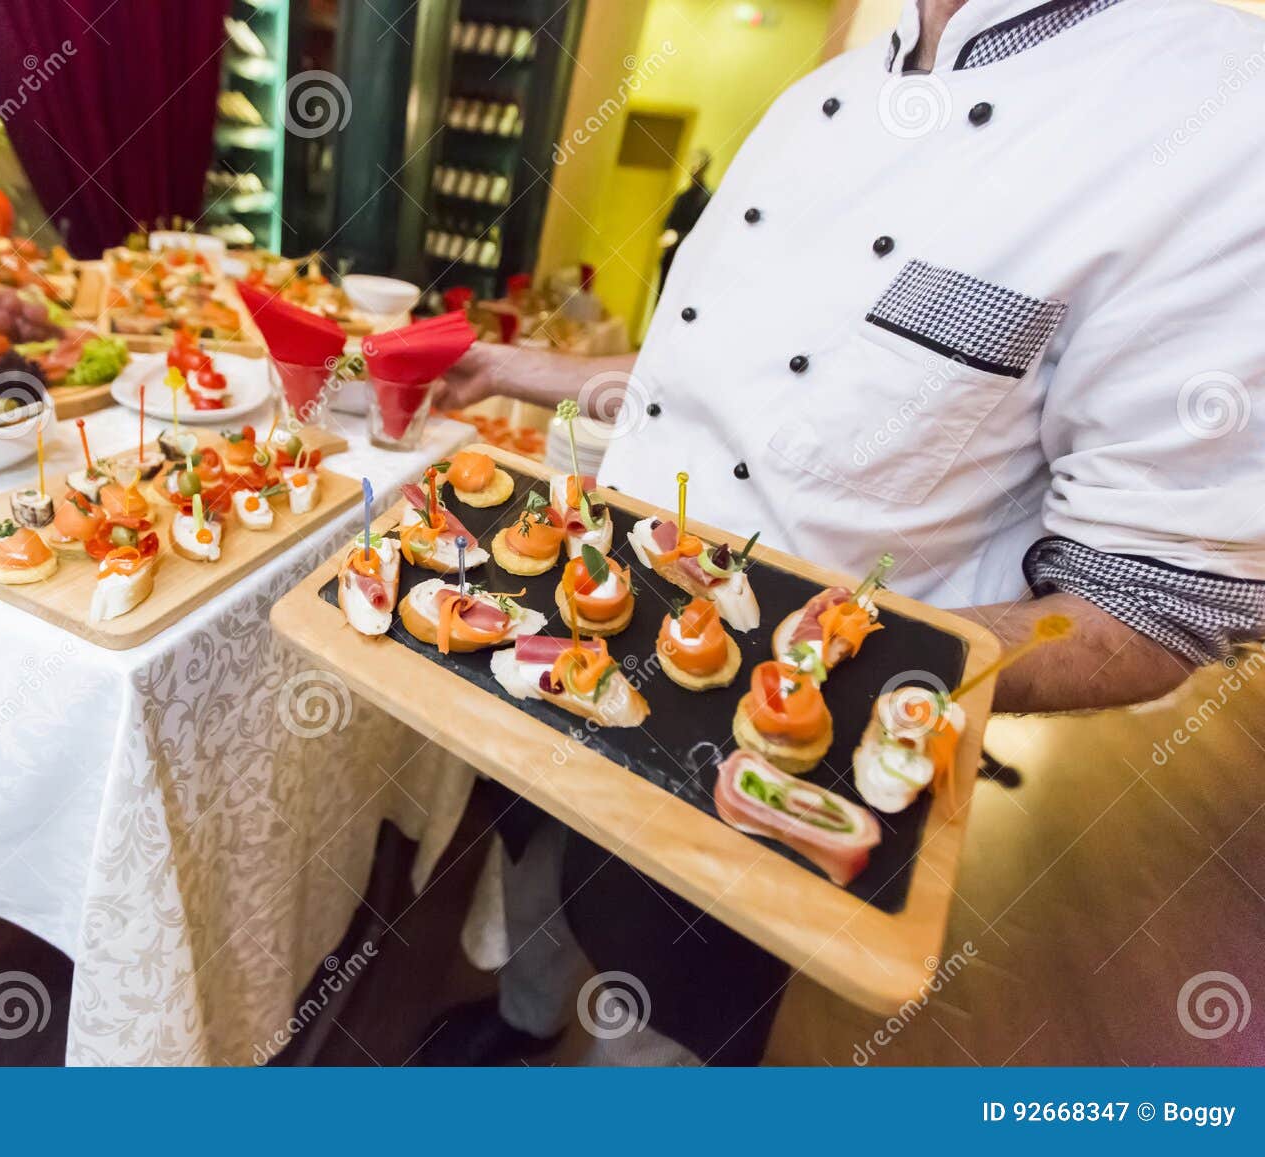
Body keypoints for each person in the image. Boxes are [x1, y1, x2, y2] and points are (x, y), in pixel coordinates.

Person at [419, 0, 1265, 1066]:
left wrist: (819, 662)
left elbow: (1149, 604)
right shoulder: (828, 95)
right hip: (592, 602)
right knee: (533, 842)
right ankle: (523, 1013)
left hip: (789, 726)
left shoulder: (1220, 109)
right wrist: (532, 368)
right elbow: (756, 391)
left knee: (674, 992)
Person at [658, 150, 714, 292]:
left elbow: (706, 233)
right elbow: (667, 223)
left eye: (699, 165)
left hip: (691, 262)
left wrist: (678, 236)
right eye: (693, 164)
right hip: (671, 258)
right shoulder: (682, 197)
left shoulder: (707, 199)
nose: (694, 168)